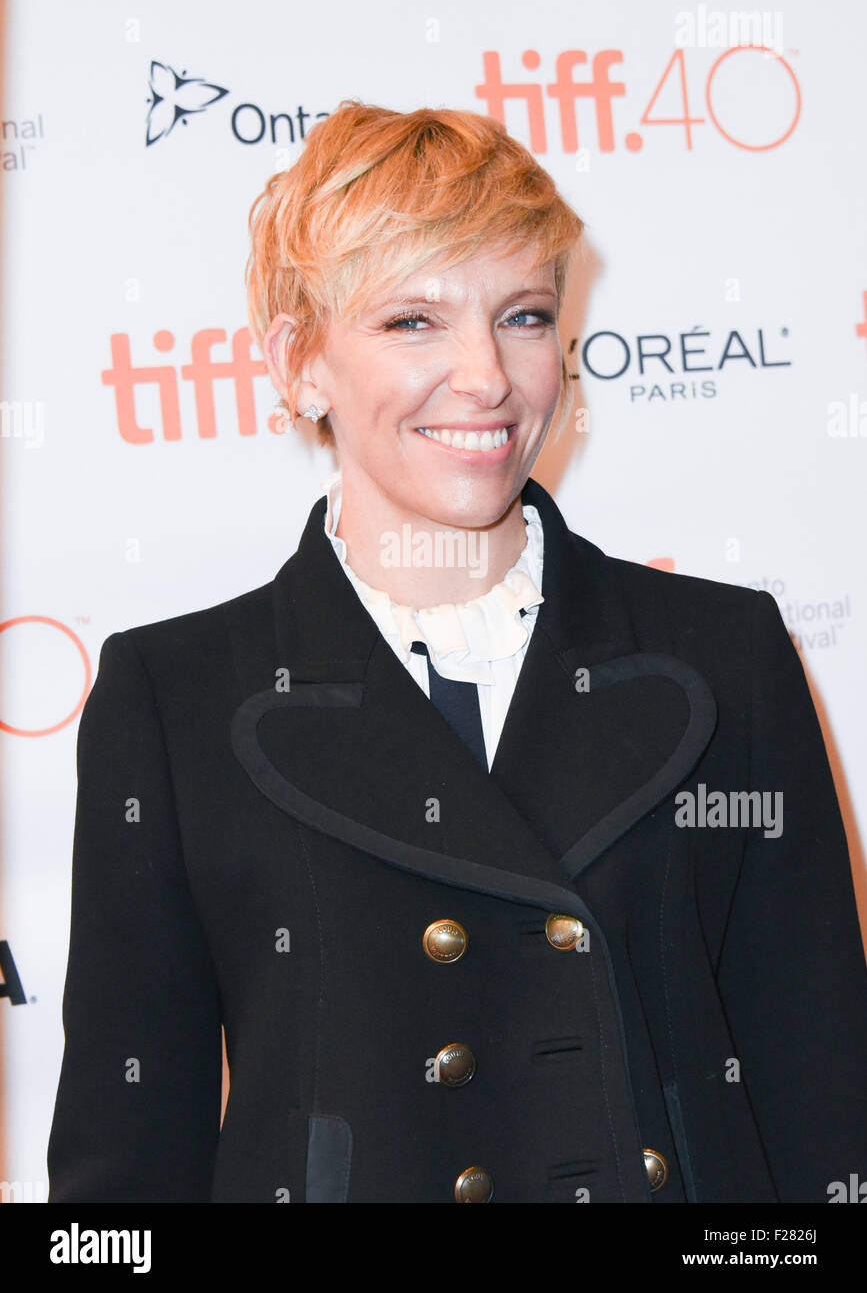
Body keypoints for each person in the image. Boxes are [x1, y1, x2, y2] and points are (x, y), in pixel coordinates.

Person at [47, 99, 867, 1203]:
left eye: (523, 315)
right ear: (301, 362)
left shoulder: (724, 657)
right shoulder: (176, 696)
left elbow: (821, 1102)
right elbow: (126, 1156)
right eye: (414, 322)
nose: (487, 376)